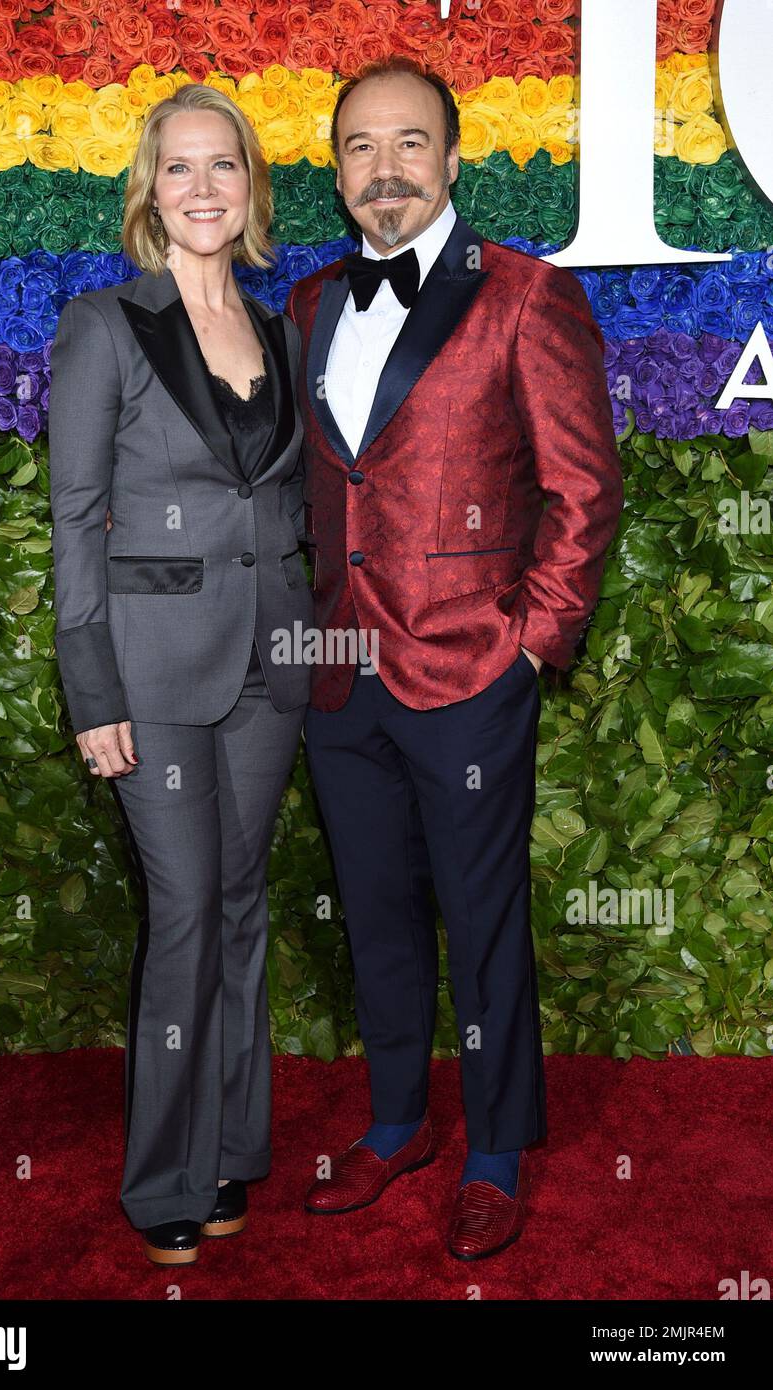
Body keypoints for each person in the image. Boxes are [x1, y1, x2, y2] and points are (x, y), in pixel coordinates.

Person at [286, 56, 624, 1260]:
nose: (386, 169)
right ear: (335, 171)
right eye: (361, 149)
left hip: (472, 670)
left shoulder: (526, 296)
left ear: (452, 158)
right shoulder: (312, 303)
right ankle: (394, 1123)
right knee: (375, 913)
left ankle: (492, 1149)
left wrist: (533, 645)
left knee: (481, 918)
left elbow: (582, 488)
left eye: (409, 144)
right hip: (340, 675)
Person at [48, 84, 313, 1266]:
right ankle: (162, 1172)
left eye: (224, 167)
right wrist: (91, 692)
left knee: (245, 905)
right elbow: (75, 519)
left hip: (271, 662)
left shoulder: (285, 330)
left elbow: (290, 500)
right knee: (187, 909)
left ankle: (228, 1153)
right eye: (179, 168)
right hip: (151, 674)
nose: (204, 187)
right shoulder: (106, 325)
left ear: (253, 188)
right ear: (150, 194)